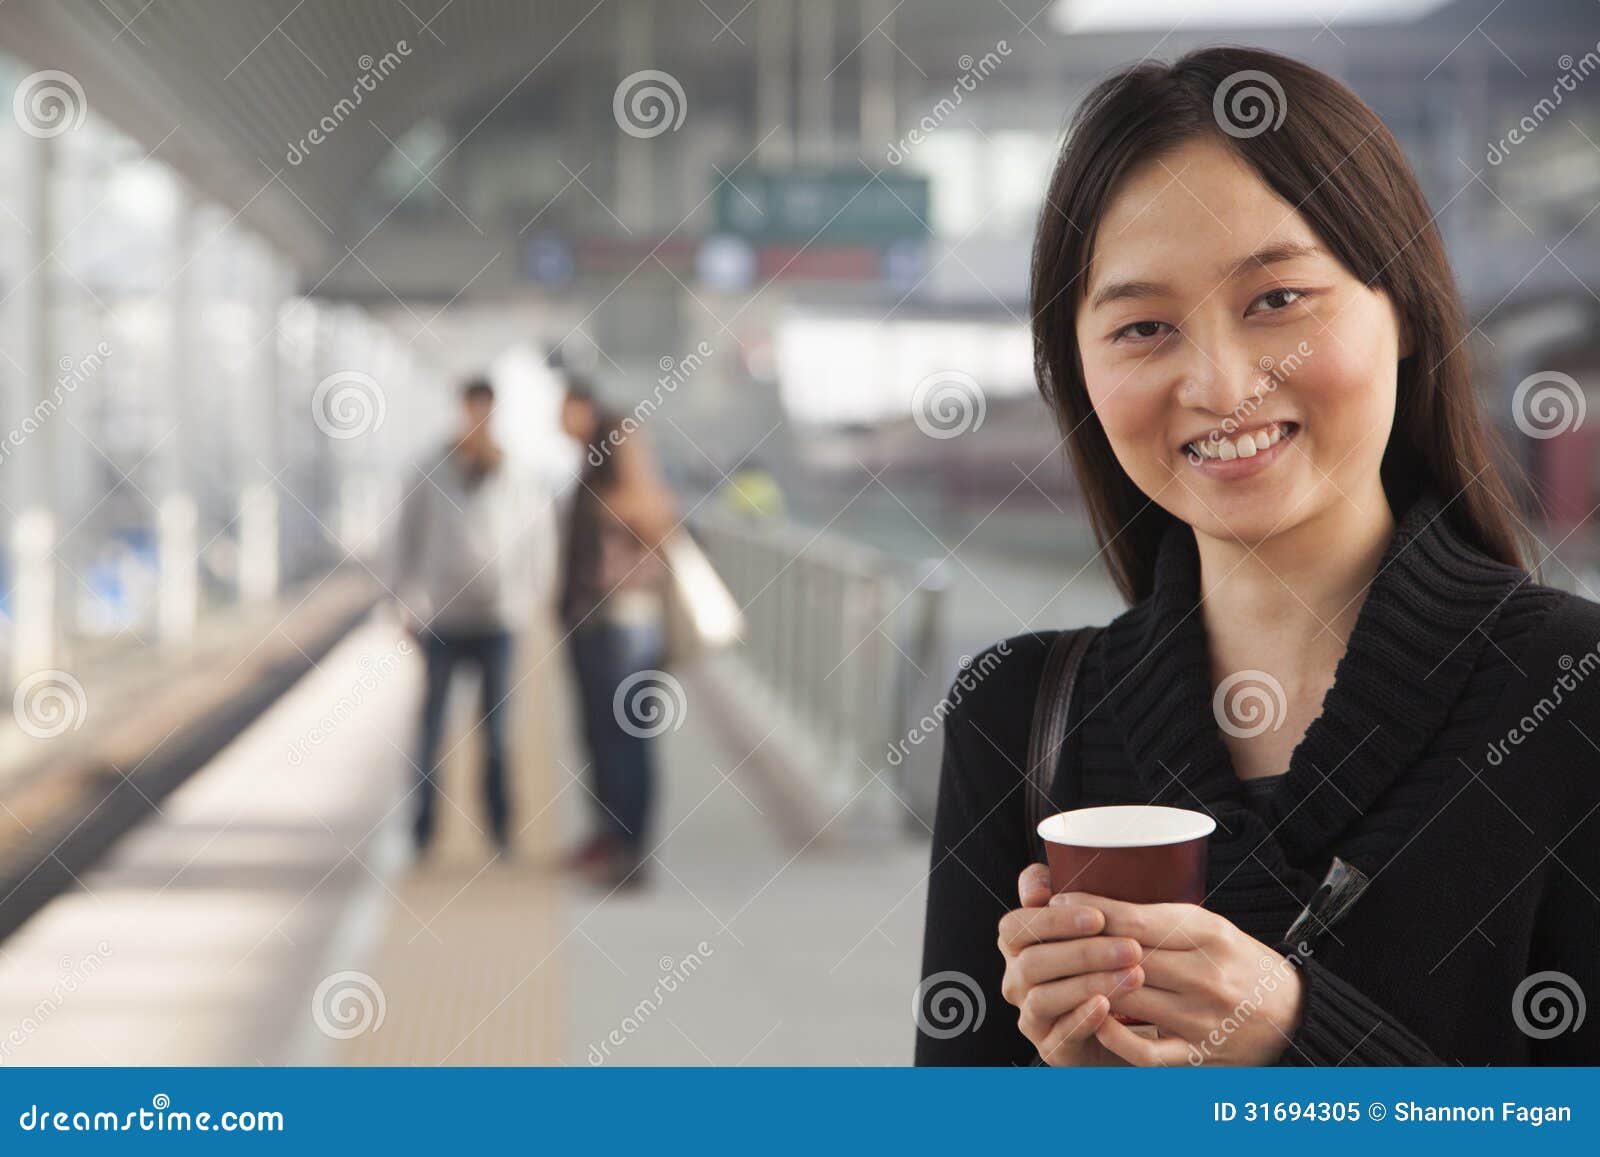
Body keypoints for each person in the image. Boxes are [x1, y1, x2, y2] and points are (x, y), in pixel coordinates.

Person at [917, 47, 1600, 1066]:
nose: (1223, 384)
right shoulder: (1017, 717)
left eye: (1276, 300)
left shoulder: (1571, 694)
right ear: (1078, 371)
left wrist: (1289, 1031)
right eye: (1144, 326)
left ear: (1405, 308)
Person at [395, 377, 545, 860]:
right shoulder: (428, 469)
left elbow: (539, 538)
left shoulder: (517, 472)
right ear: (460, 411)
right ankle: (422, 833)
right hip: (442, 619)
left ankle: (500, 830)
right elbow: (404, 535)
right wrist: (401, 599)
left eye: (485, 411)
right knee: (431, 729)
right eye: (471, 410)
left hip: (498, 620)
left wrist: (529, 600)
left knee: (497, 732)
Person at [557, 377, 677, 889]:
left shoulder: (621, 497)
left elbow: (629, 553)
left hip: (620, 627)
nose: (559, 421)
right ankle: (613, 838)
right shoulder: (606, 483)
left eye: (566, 410)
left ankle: (630, 851)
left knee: (623, 740)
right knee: (606, 738)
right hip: (606, 626)